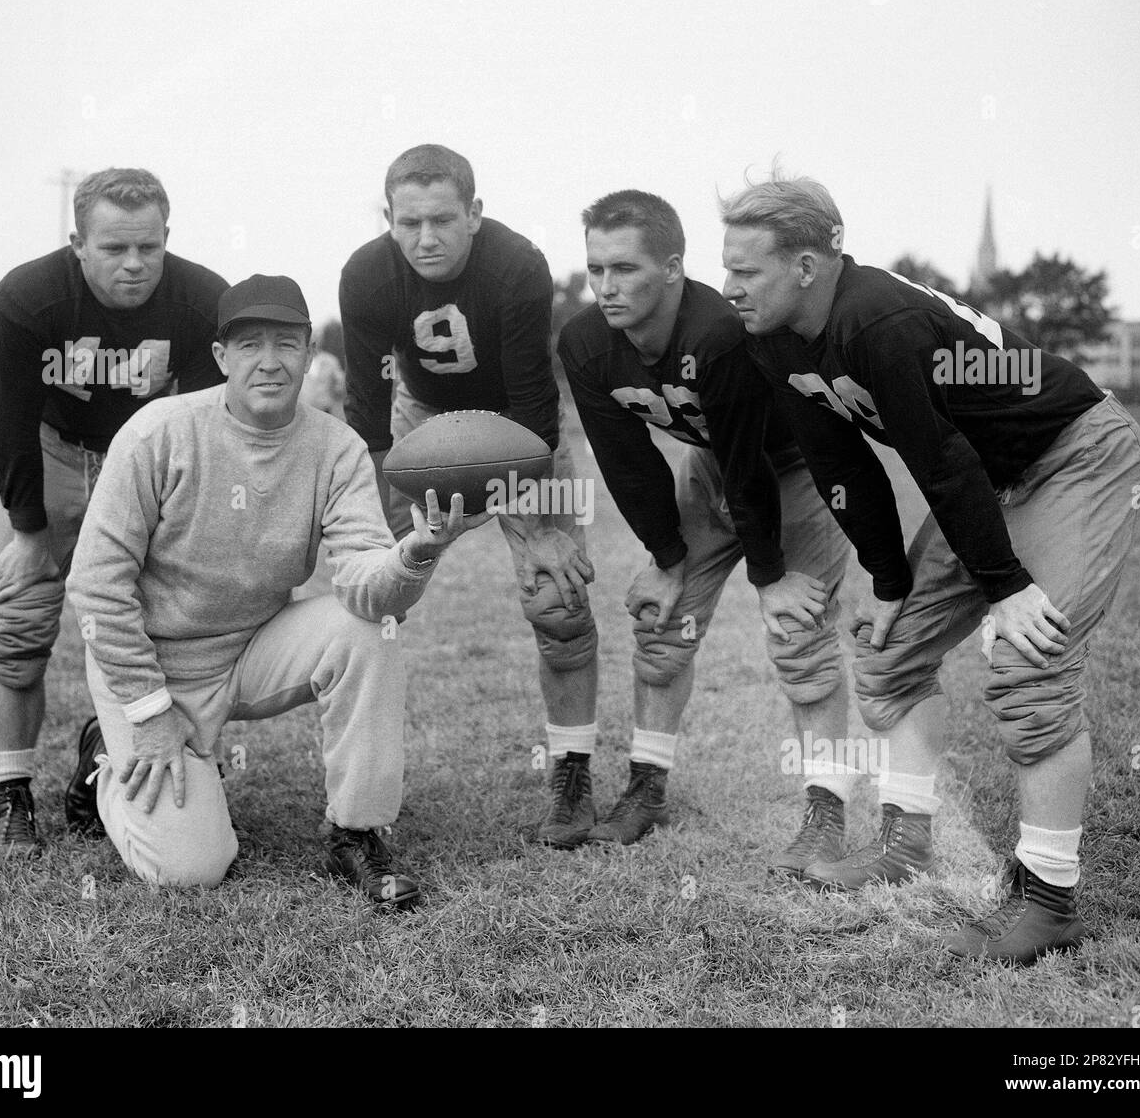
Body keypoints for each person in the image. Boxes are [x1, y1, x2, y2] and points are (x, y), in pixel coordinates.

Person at [720, 171, 1140, 963]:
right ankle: (904, 841)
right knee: (888, 651)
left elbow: (941, 462)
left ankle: (1049, 897)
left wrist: (1009, 588)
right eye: (727, 267)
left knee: (1029, 656)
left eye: (746, 270)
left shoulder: (878, 321)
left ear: (807, 266)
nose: (730, 287)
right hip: (988, 478)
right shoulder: (773, 339)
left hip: (1074, 453)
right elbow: (838, 459)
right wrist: (888, 583)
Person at [65, 275, 489, 905]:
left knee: (366, 630)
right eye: (250, 344)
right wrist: (148, 714)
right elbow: (96, 585)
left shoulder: (336, 447)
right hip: (154, 672)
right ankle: (107, 760)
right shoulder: (160, 432)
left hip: (250, 646)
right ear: (220, 357)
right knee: (191, 870)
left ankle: (357, 832)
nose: (270, 361)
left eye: (286, 343)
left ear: (308, 351)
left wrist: (416, 553)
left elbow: (364, 588)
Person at [554, 191, 857, 860]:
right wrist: (667, 557)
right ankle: (647, 784)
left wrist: (769, 575)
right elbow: (626, 459)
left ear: (672, 267)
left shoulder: (718, 333)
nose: (606, 286)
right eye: (596, 268)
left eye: (625, 268)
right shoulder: (585, 342)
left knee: (799, 637)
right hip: (716, 463)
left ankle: (826, 806)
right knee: (662, 627)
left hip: (796, 466)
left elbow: (753, 464)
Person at [340, 145, 599, 819]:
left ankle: (571, 774)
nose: (426, 238)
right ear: (388, 218)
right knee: (370, 595)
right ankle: (356, 779)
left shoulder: (515, 265)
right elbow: (368, 420)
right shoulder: (366, 275)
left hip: (517, 424)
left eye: (444, 220)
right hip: (422, 420)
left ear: (475, 214)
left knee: (559, 600)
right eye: (409, 222)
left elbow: (538, 409)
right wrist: (377, 528)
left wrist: (542, 528)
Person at [0, 167, 227, 857]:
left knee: (161, 620)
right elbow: (10, 421)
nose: (134, 264)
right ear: (77, 243)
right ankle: (13, 794)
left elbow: (205, 427)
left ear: (167, 238)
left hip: (141, 463)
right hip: (51, 450)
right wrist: (30, 531)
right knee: (20, 623)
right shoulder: (28, 296)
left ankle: (108, 752)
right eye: (115, 248)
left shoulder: (202, 297)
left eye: (149, 247)